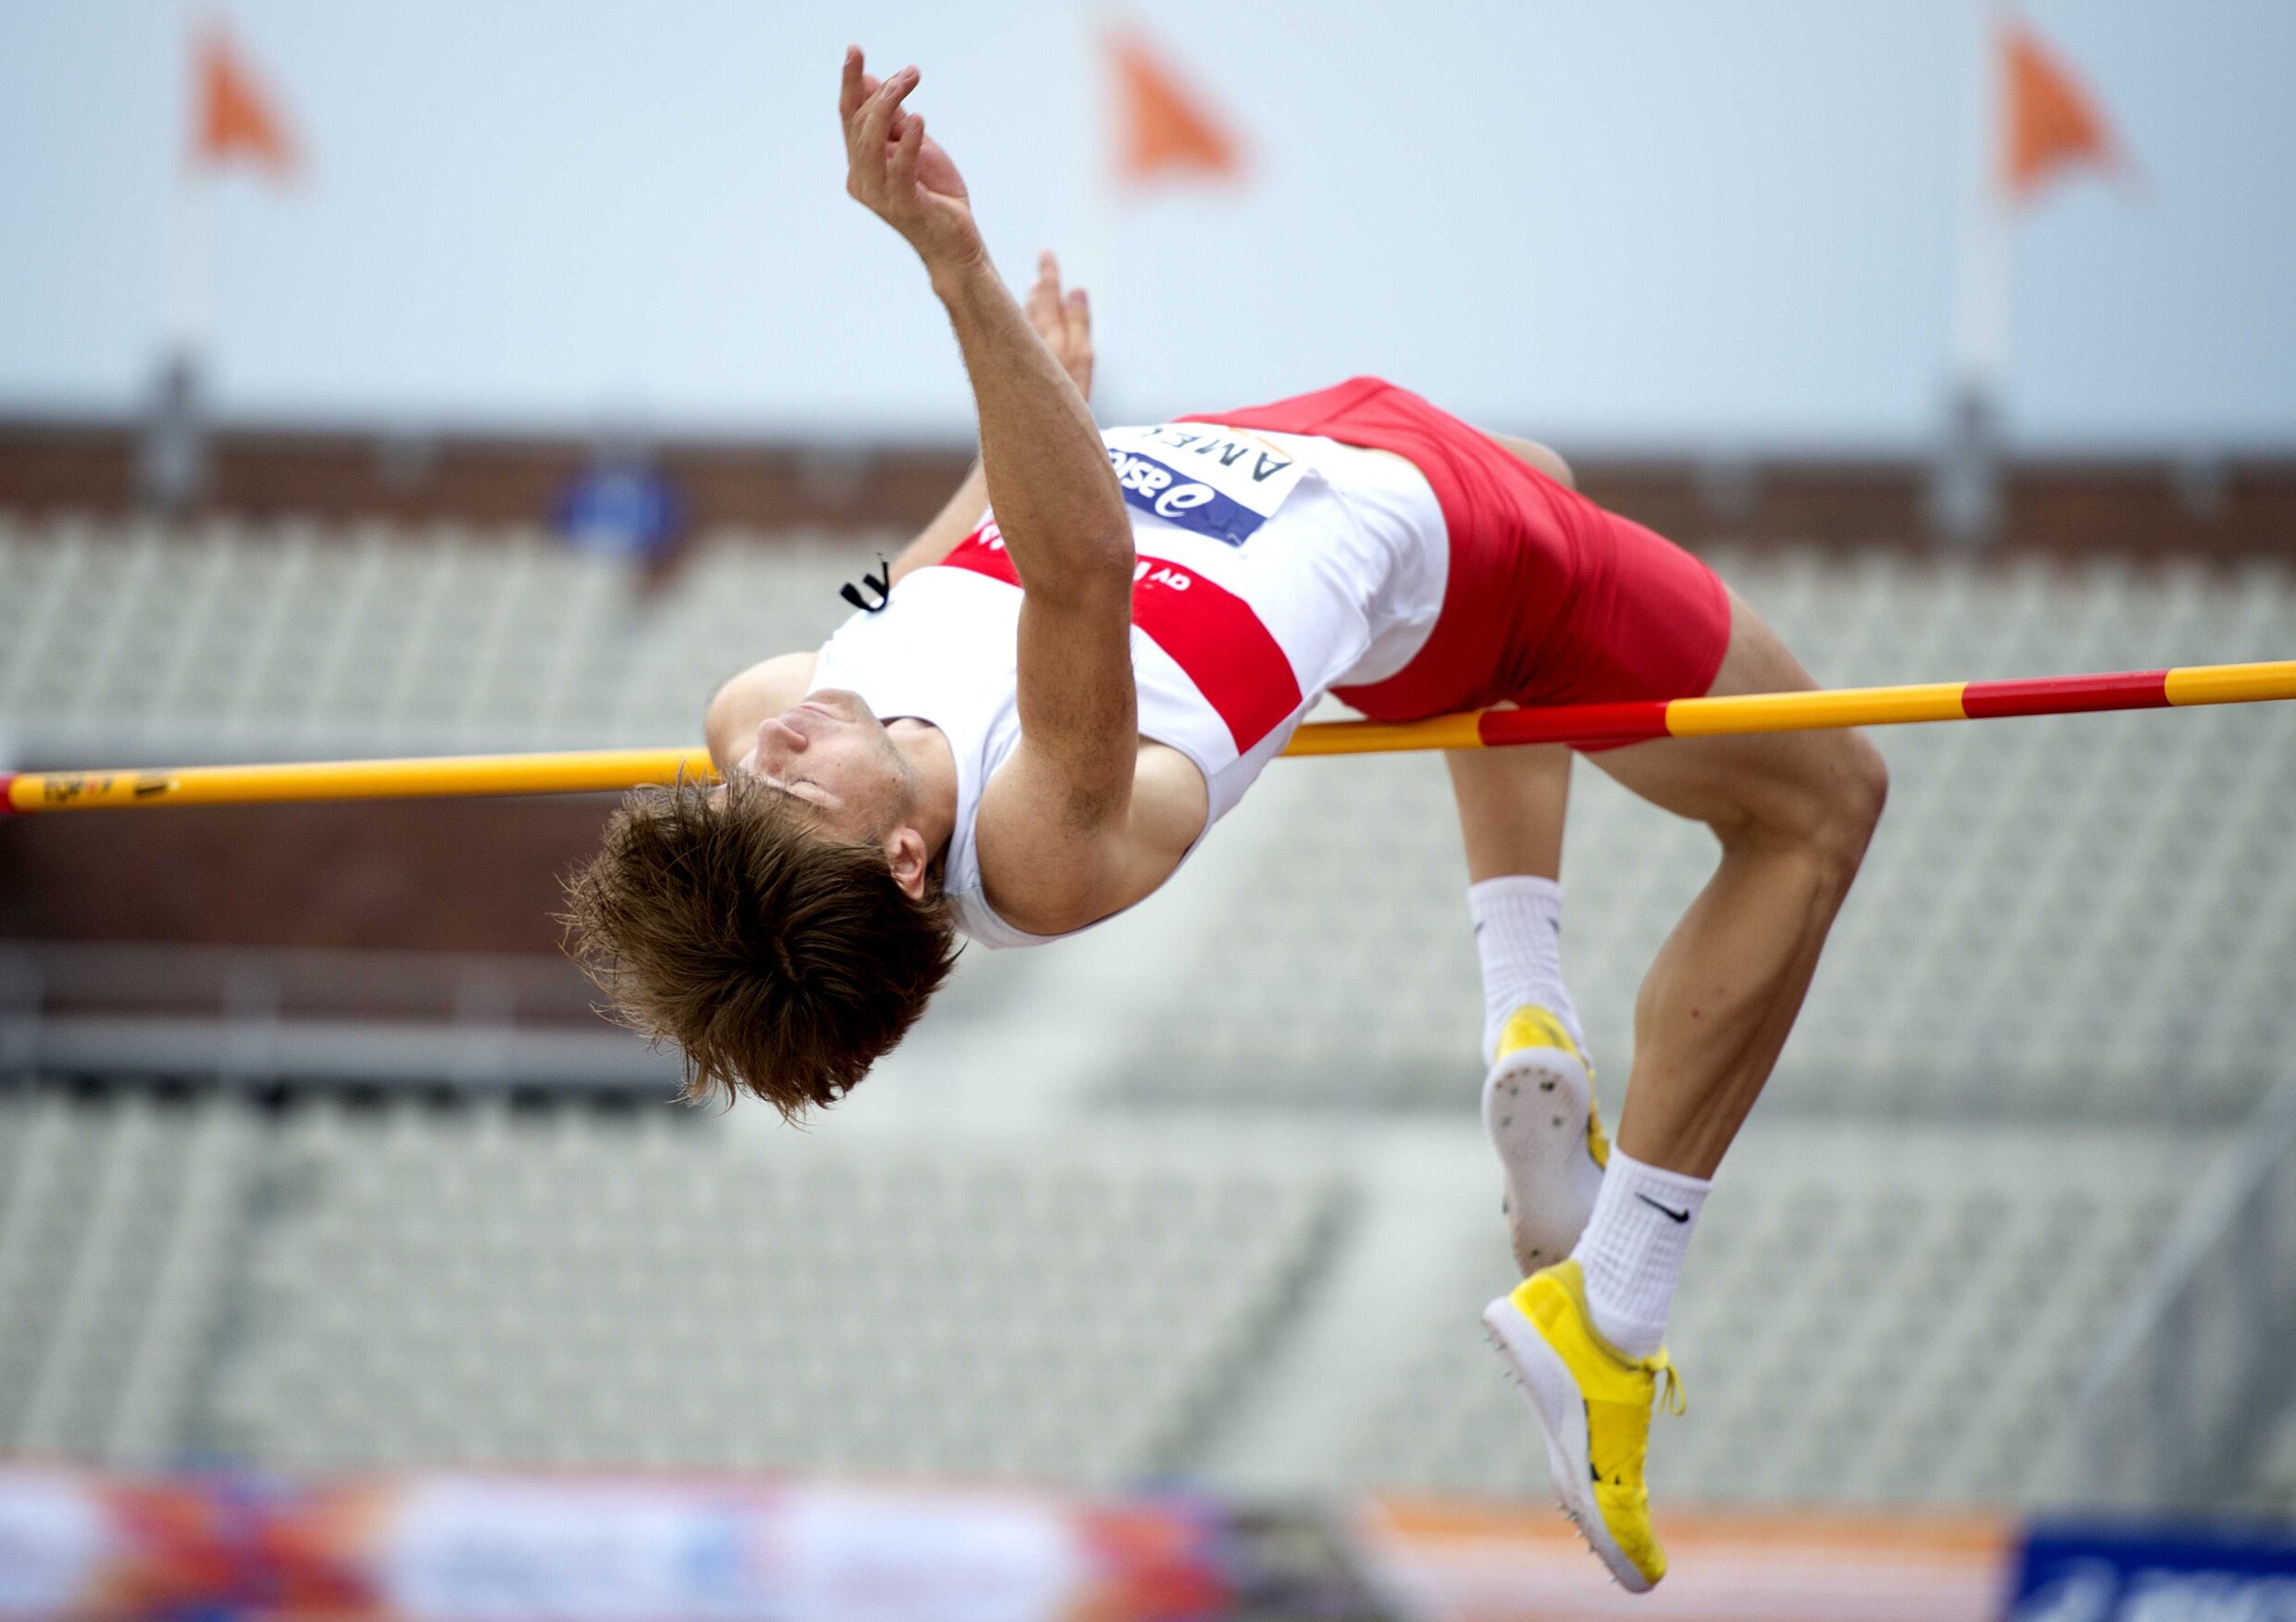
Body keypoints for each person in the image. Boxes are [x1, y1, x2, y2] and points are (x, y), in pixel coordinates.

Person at [563, 48, 1887, 1592]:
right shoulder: (1040, 848)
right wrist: (955, 266)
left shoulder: (769, 709)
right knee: (1825, 800)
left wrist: (1020, 410)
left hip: (1304, 445)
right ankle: (1617, 1300)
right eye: (795, 791)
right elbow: (1075, 574)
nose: (774, 744)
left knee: (1531, 498)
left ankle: (1531, 1014)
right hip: (1426, 529)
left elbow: (918, 589)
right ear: (908, 862)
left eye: (750, 781)